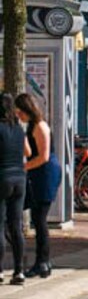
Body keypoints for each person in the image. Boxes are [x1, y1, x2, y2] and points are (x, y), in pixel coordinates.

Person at [16, 93, 61, 278]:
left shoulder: (40, 126)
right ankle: (43, 261)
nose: (19, 116)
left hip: (45, 173)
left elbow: (43, 156)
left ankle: (42, 261)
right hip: (39, 173)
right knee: (38, 217)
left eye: (20, 112)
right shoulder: (32, 126)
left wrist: (24, 167)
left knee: (40, 218)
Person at [0, 92, 30, 285]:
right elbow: (28, 151)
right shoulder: (19, 128)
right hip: (19, 178)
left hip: (2, 177)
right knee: (16, 226)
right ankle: (19, 270)